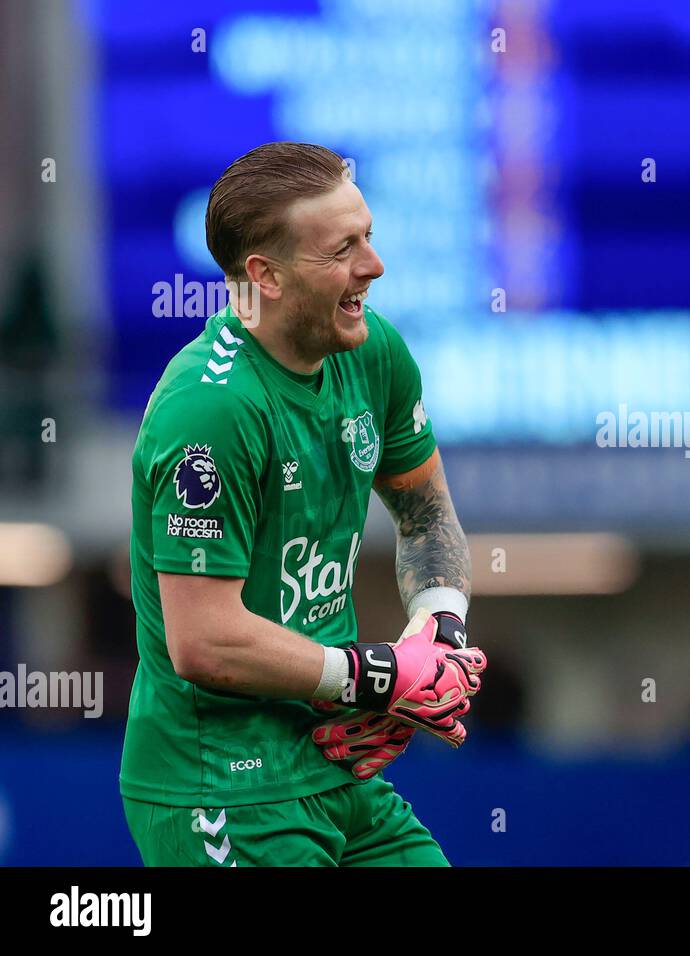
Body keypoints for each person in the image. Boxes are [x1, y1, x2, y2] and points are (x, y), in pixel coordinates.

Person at [120, 142, 486, 866]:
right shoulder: (210, 410)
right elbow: (205, 641)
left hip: (337, 766)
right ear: (266, 275)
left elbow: (425, 514)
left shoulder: (372, 350)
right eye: (343, 249)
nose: (373, 266)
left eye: (369, 236)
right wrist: (375, 675)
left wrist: (435, 637)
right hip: (222, 787)